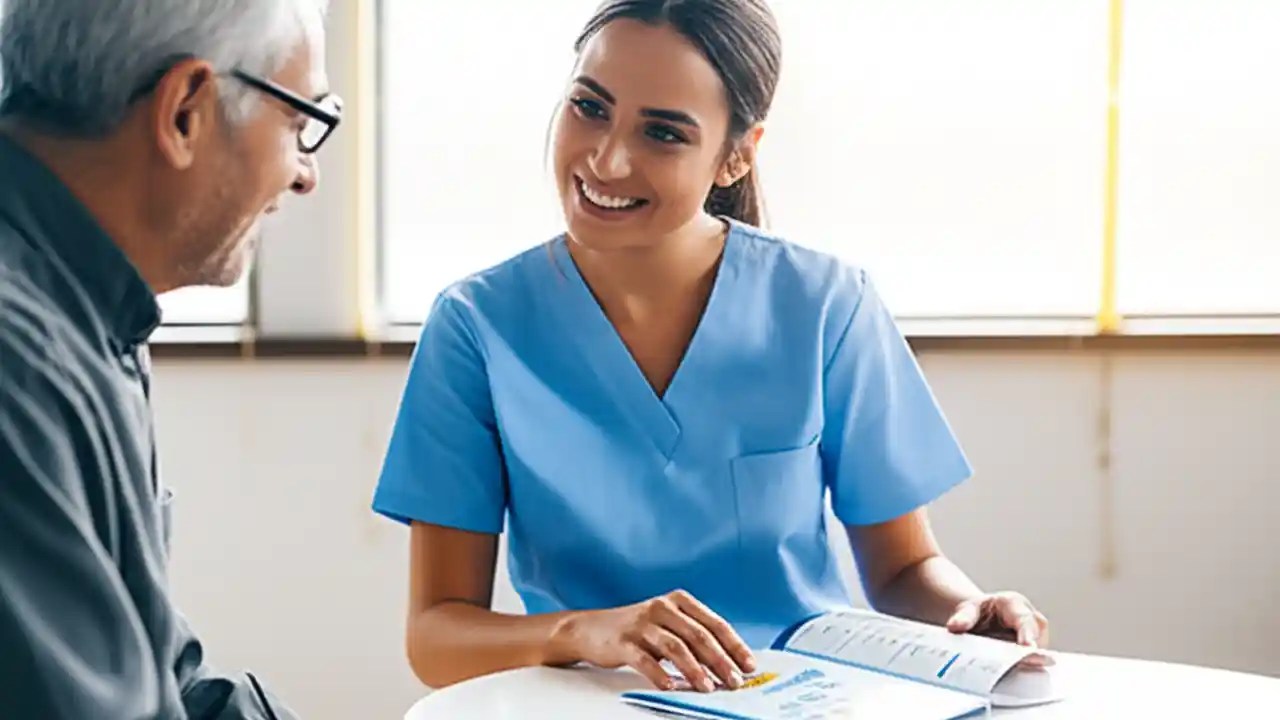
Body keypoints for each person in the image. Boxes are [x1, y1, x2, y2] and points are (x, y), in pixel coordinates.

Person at [372, 0, 1050, 695]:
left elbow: (904, 570)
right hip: (584, 706)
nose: (607, 159)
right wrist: (584, 631)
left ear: (735, 156)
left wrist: (969, 613)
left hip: (805, 702)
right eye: (589, 107)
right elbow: (436, 637)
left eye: (662, 133)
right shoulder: (477, 326)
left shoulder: (824, 304)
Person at [0, 0, 339, 717]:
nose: (306, 175)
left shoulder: (90, 311)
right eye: (300, 122)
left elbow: (161, 673)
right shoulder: (19, 367)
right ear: (185, 110)